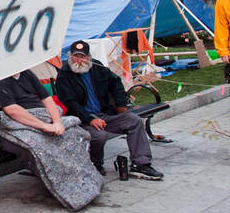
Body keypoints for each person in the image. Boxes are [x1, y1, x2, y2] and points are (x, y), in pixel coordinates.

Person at [0, 67, 103, 208]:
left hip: (39, 115)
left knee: (73, 134)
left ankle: (85, 182)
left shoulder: (26, 72)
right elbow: (12, 111)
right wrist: (44, 126)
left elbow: (47, 99)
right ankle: (64, 190)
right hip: (10, 125)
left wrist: (57, 122)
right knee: (40, 145)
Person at [53, 40, 164, 180]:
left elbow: (116, 82)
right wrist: (90, 119)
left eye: (82, 56)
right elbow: (70, 103)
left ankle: (141, 164)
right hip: (81, 118)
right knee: (99, 135)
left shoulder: (97, 67)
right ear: (69, 57)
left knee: (134, 121)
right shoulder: (65, 74)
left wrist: (120, 105)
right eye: (75, 56)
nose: (79, 60)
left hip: (105, 114)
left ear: (88, 57)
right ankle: (95, 164)